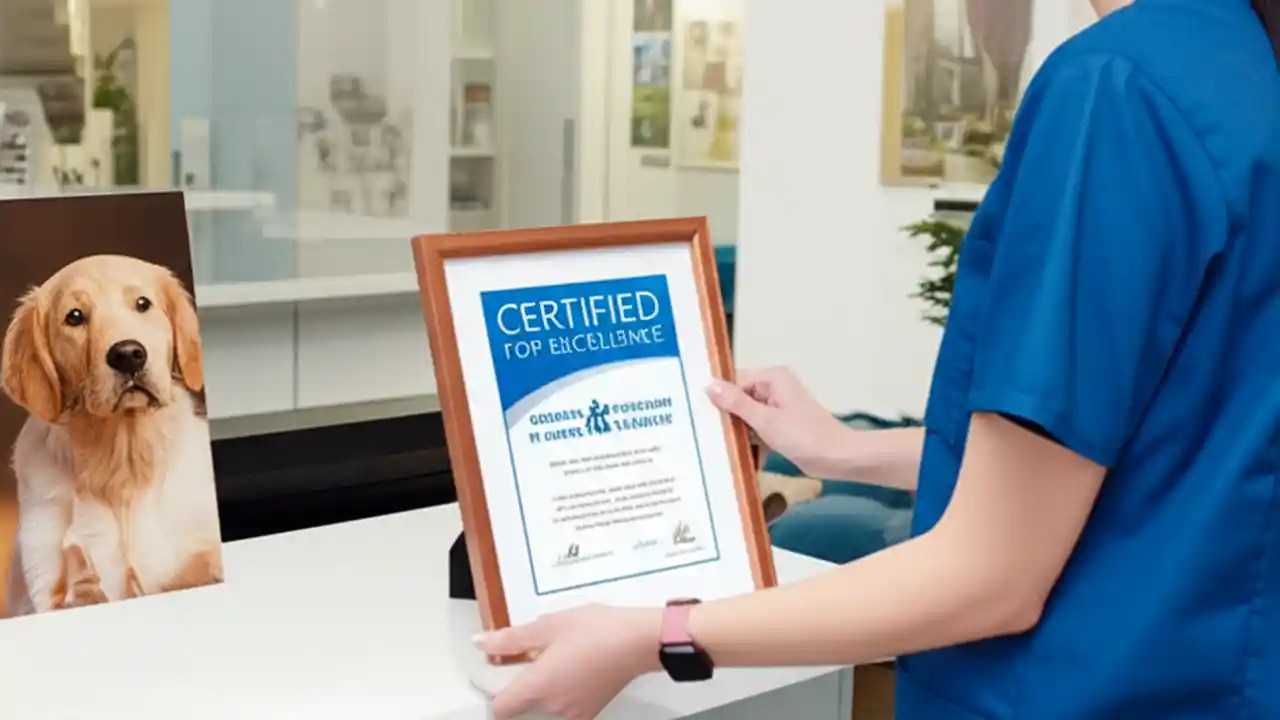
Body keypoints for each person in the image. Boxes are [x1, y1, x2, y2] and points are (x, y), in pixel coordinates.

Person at [474, 0, 1280, 717]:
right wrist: (845, 451)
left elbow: (991, 575)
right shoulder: (1241, 68)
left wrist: (658, 634)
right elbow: (1158, 451)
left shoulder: (1118, 86)